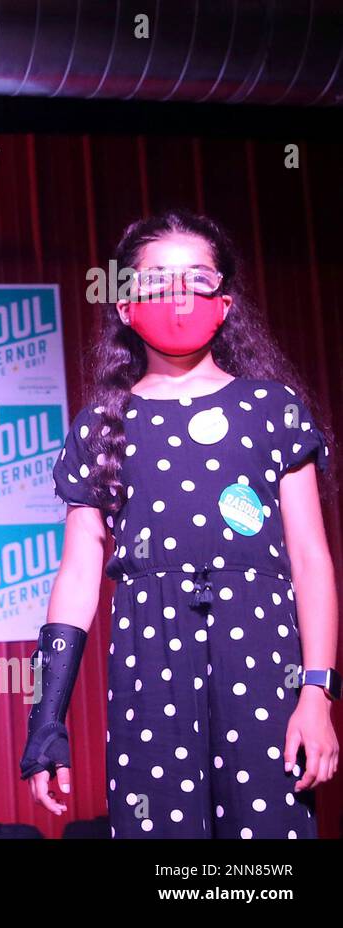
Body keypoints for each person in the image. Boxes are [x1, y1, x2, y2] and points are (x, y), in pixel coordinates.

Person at [22, 208, 340, 838]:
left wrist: (317, 692)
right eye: (157, 281)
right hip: (148, 651)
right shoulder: (102, 424)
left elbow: (310, 559)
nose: (179, 296)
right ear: (123, 305)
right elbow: (79, 572)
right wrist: (46, 712)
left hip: (262, 649)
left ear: (223, 300)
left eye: (197, 278)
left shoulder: (271, 409)